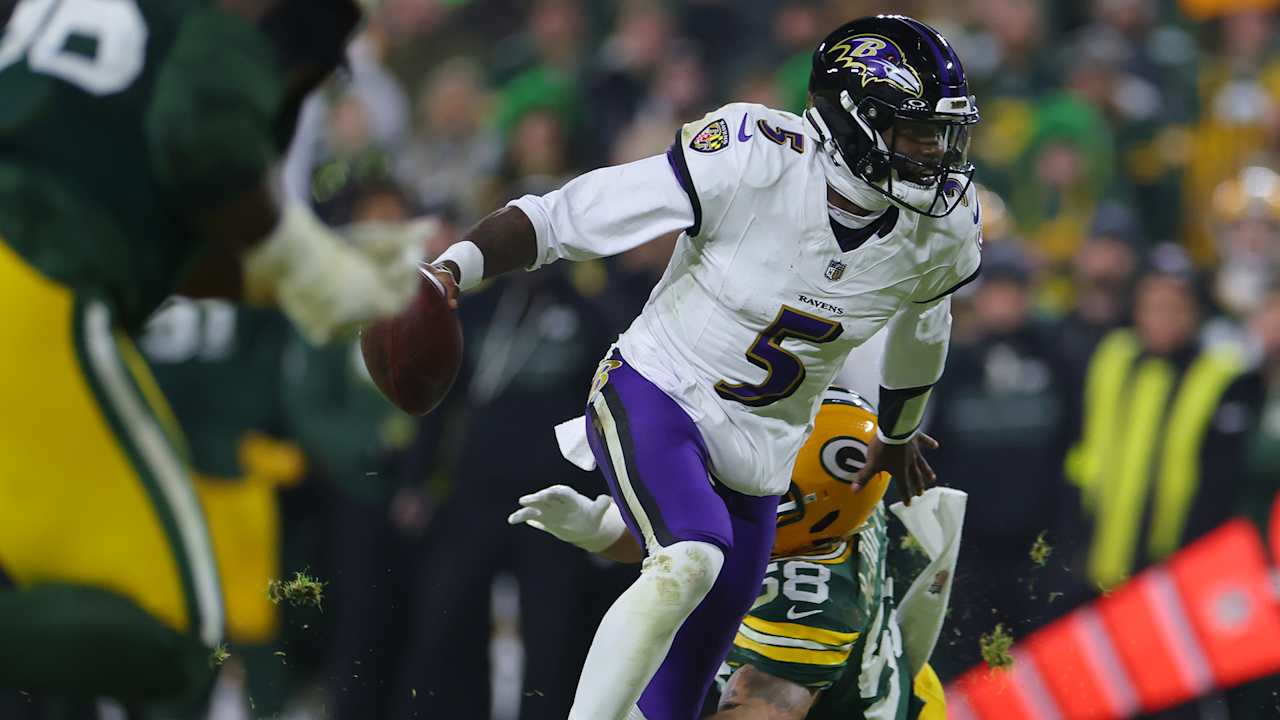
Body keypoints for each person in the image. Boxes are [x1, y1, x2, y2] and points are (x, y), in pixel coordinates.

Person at [426, 14, 983, 719]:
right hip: (659, 386)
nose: (935, 154)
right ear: (852, 121)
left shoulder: (940, 229)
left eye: (942, 134)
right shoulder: (754, 157)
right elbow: (578, 213)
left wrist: (899, 434)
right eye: (915, 132)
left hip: (762, 454)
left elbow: (923, 333)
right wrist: (456, 267)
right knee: (692, 557)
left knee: (675, 702)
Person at [0, 0, 424, 706]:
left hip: (33, 261)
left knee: (38, 584)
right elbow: (204, 142)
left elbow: (162, 229)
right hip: (31, 280)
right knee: (176, 633)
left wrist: (294, 268)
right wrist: (305, 259)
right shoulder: (223, 29)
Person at [510, 388, 953, 719]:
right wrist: (596, 529)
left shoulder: (809, 600)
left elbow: (764, 711)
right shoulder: (839, 503)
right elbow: (691, 534)